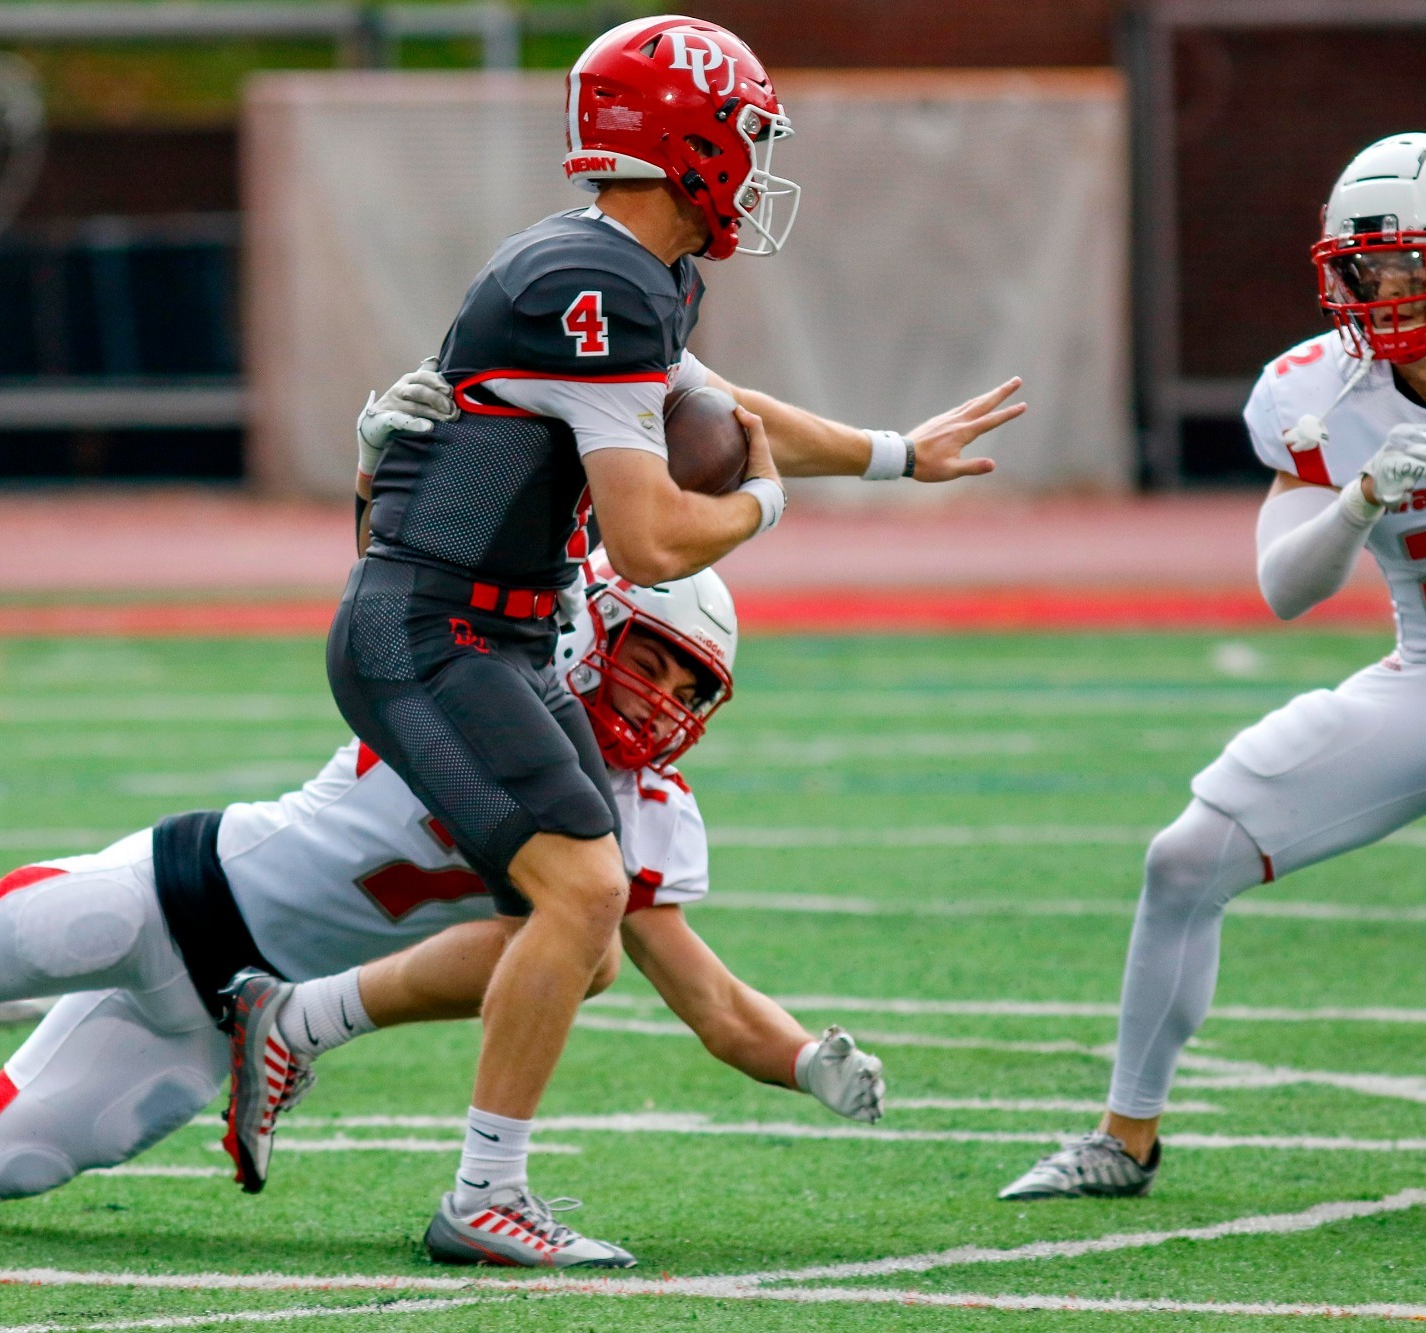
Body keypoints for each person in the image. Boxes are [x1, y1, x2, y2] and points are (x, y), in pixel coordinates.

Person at [0, 569, 883, 1238]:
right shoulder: (489, 688)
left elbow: (706, 999)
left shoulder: (632, 819)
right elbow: (415, 583)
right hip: (171, 898)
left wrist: (811, 1058)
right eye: (650, 661)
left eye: (687, 688)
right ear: (594, 625)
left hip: (210, 1018)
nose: (659, 703)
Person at [330, 14, 1022, 1265]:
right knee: (586, 889)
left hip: (499, 627)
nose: (754, 163)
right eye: (746, 133)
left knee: (591, 921)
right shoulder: (586, 284)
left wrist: (890, 455)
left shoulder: (630, 276)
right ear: (686, 138)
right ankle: (481, 1191)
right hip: (430, 627)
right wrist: (761, 508)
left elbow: (719, 408)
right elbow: (648, 543)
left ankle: (301, 1027)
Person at [998, 133, 1426, 1201]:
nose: (1370, 288)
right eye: (1360, 263)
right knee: (1187, 857)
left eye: (1400, 262)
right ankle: (1123, 1135)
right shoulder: (1320, 391)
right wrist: (1358, 499)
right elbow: (1283, 588)